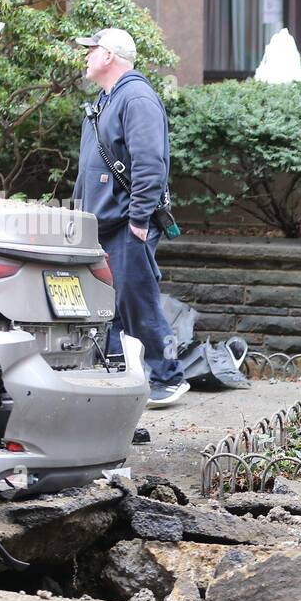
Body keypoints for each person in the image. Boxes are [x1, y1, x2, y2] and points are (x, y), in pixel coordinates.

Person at [71, 27, 188, 408]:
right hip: (106, 224)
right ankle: (118, 372)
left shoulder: (135, 97)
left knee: (139, 302)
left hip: (126, 224)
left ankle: (169, 377)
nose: (86, 56)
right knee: (115, 304)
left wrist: (139, 219)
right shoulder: (108, 100)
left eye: (91, 50)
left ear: (109, 55)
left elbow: (150, 163)